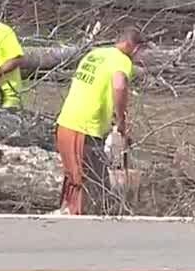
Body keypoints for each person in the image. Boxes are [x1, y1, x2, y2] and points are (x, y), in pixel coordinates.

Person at [54, 25, 146, 215]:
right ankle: (81, 225)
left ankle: (68, 215)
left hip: (66, 122)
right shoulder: (122, 60)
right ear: (135, 48)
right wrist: (121, 121)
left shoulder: (95, 54)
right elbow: (119, 86)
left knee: (75, 180)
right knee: (91, 187)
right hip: (86, 127)